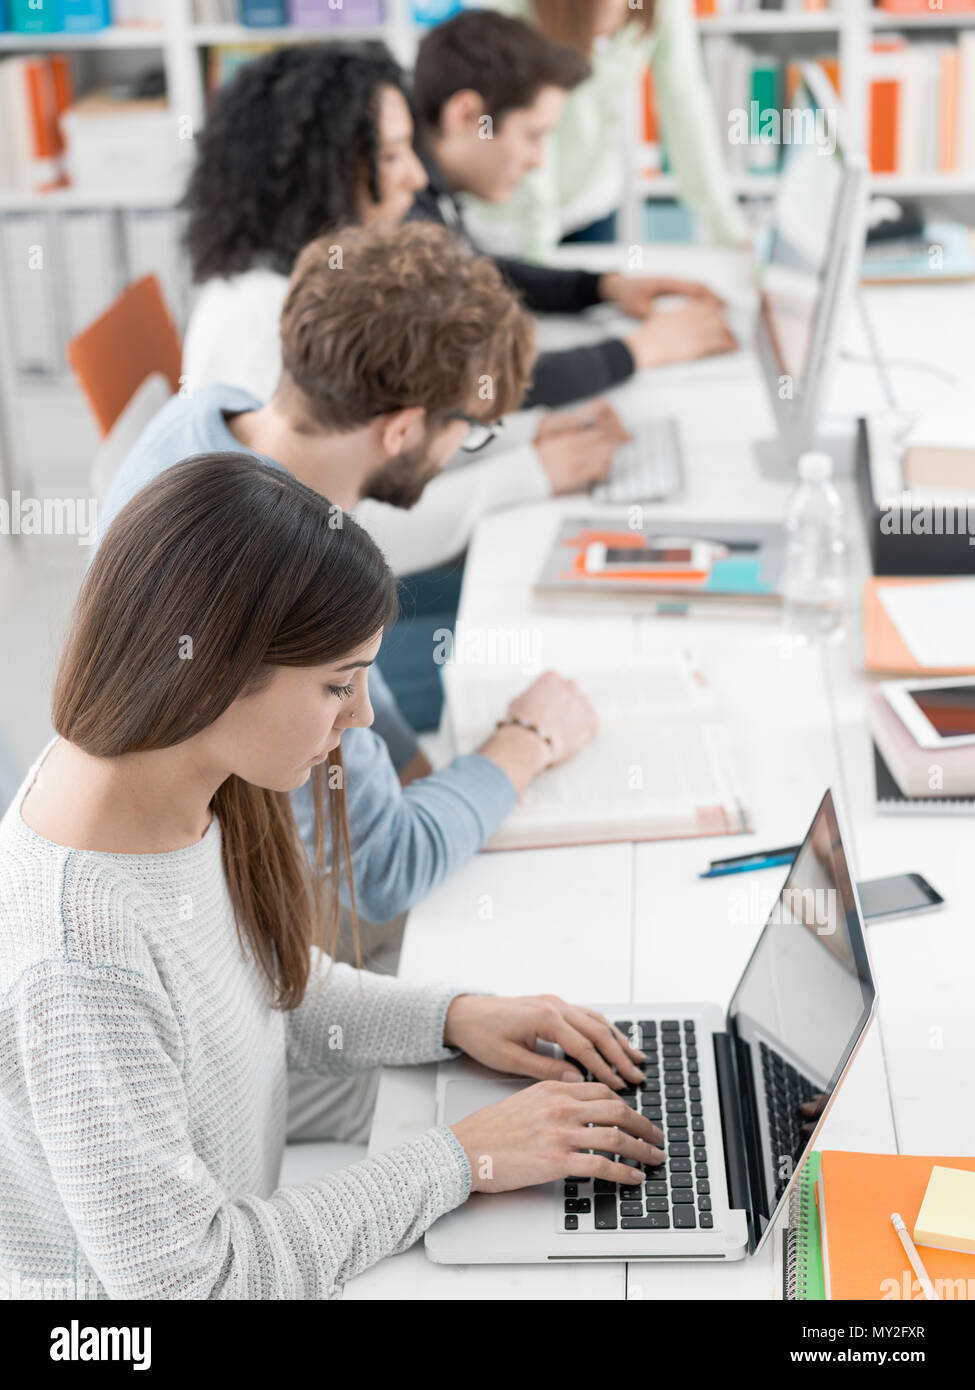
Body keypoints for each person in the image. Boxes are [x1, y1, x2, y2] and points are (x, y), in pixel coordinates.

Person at [0, 454, 664, 1299]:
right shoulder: (81, 961)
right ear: (220, 676)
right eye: (338, 685)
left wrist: (453, 1016)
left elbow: (253, 993)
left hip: (250, 1203)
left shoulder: (177, 772)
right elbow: (194, 1285)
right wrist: (463, 1157)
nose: (358, 718)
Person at [98, 221, 604, 1141]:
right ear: (405, 428)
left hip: (225, 934)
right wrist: (525, 745)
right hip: (226, 979)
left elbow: (355, 708)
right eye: (471, 432)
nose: (462, 451)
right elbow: (385, 870)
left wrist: (401, 759)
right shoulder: (264, 572)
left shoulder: (210, 415)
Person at [180, 41, 622, 578]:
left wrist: (528, 437)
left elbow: (385, 448)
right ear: (318, 172)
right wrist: (528, 474)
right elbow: (338, 539)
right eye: (391, 155)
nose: (416, 177)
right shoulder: (259, 324)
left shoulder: (321, 285)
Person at [409, 7, 738, 408]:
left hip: (583, 199)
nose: (540, 161)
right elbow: (476, 384)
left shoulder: (431, 196)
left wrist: (603, 287)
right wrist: (639, 350)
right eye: (534, 135)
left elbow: (479, 269)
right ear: (468, 115)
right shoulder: (406, 223)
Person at [467, 0, 749, 256]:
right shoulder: (513, 8)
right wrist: (539, 249)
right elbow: (524, 126)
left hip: (590, 203)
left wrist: (729, 230)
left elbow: (685, 106)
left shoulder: (662, 7)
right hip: (513, 217)